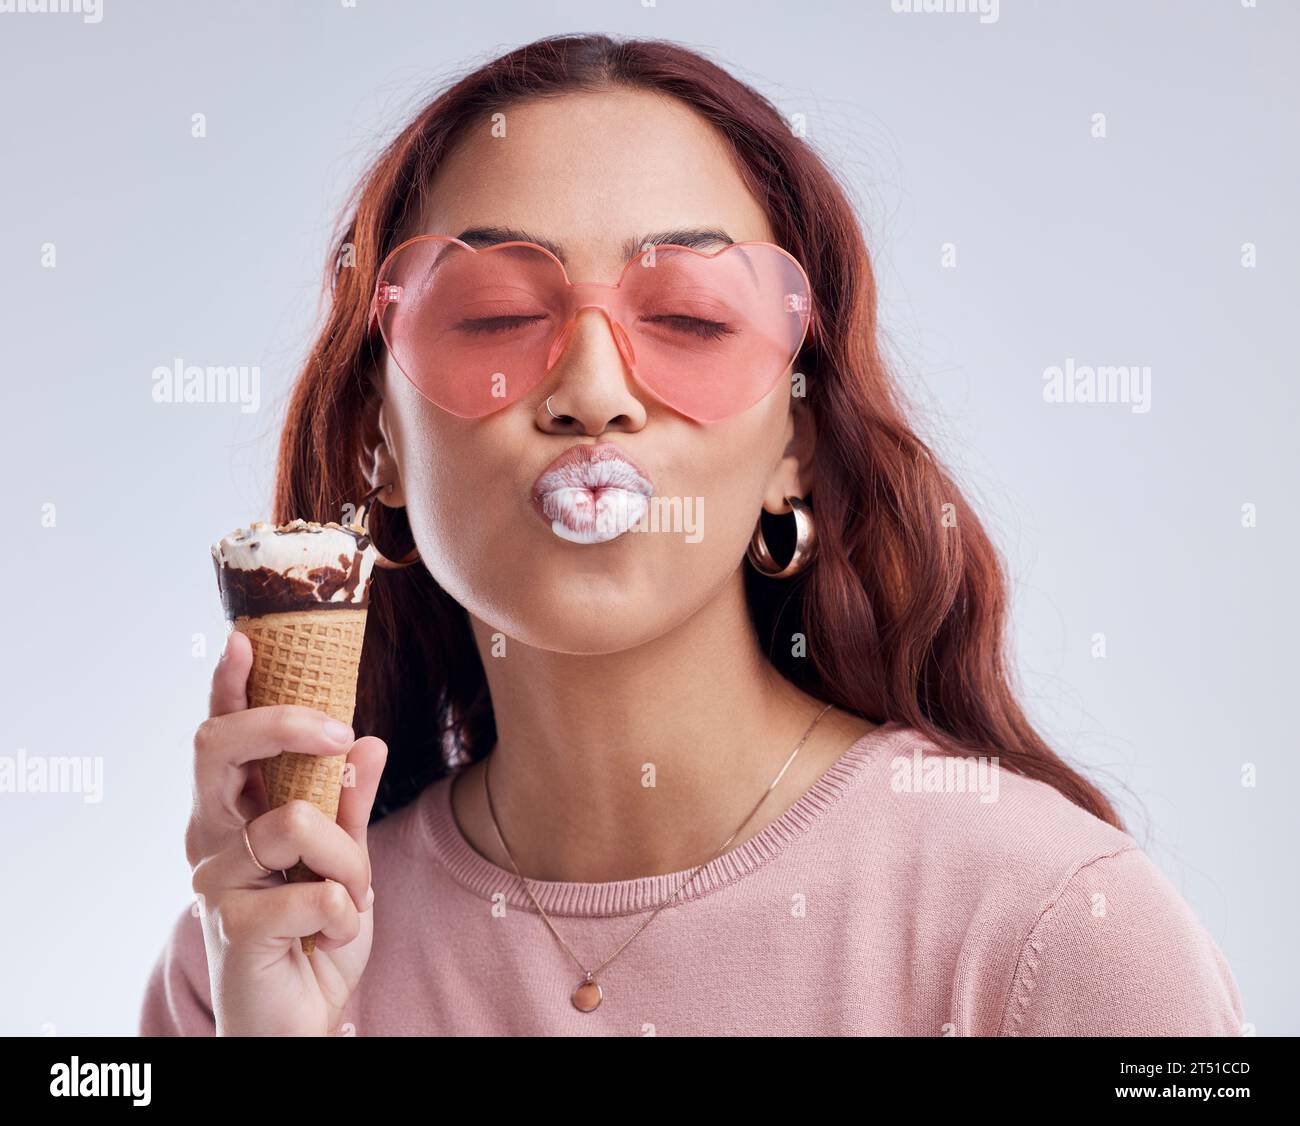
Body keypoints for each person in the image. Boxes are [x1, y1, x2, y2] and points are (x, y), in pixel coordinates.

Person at [140, 33, 1243, 1036]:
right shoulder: (248, 953)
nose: (590, 388)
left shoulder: (1056, 928)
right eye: (494, 315)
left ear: (795, 444)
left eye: (688, 320)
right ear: (377, 441)